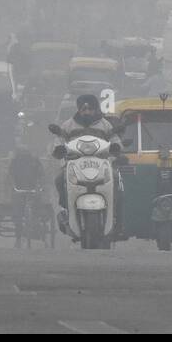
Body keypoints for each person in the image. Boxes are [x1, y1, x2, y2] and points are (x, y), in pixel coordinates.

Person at [52, 93, 127, 239]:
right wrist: (59, 149)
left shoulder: (105, 125)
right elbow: (59, 139)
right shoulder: (68, 125)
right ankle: (66, 208)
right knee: (59, 180)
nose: (86, 112)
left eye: (90, 108)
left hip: (101, 163)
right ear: (79, 109)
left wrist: (117, 147)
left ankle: (118, 218)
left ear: (95, 109)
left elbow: (114, 138)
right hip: (74, 164)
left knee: (117, 181)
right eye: (83, 108)